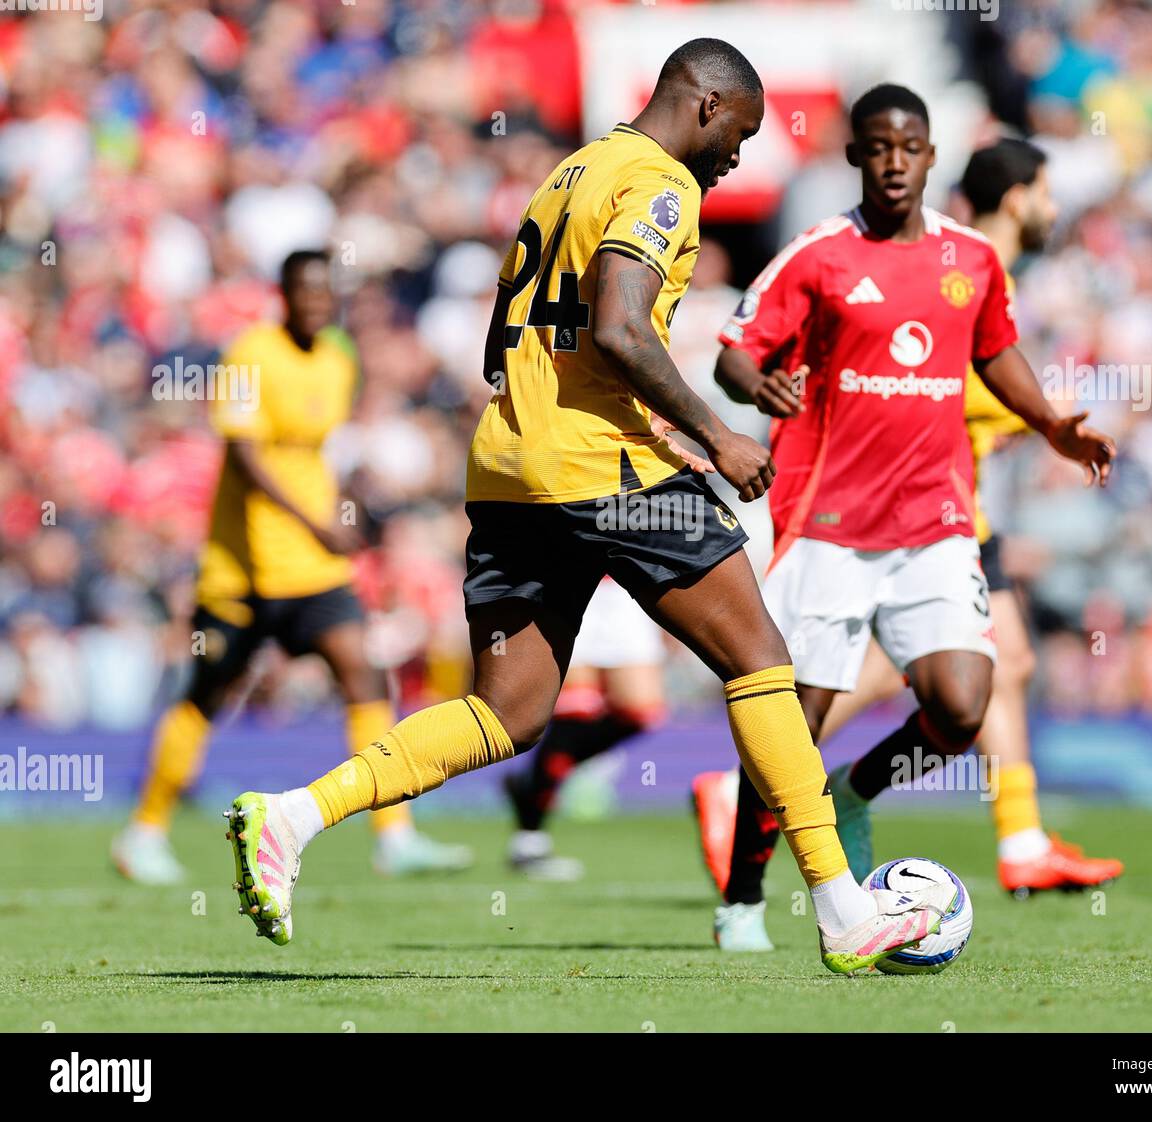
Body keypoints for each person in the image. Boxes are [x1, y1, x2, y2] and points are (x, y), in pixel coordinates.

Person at [222, 41, 951, 973]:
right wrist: (717, 434)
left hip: (510, 465)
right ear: (707, 101)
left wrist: (647, 432)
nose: (736, 158)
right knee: (762, 658)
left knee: (509, 712)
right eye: (739, 133)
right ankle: (844, 910)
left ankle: (292, 816)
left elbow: (503, 346)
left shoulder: (567, 173)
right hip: (591, 465)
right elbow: (616, 326)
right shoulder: (659, 184)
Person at [692, 87, 1116, 951]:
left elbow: (995, 350)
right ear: (856, 157)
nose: (893, 161)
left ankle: (854, 790)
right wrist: (754, 384)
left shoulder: (971, 260)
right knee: (791, 725)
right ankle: (741, 896)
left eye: (909, 147)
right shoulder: (818, 255)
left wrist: (1052, 427)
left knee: (962, 709)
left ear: (930, 158)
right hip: (829, 524)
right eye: (877, 147)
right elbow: (735, 350)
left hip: (934, 519)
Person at [111, 250, 470, 884]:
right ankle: (144, 831)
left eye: (324, 293)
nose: (315, 303)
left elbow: (317, 452)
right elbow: (244, 454)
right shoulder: (251, 353)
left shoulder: (337, 358)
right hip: (241, 568)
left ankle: (393, 835)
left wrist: (348, 506)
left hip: (313, 569)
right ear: (283, 294)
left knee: (363, 673)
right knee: (207, 694)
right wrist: (313, 519)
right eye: (304, 292)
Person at [502, 577, 666, 881]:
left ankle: (532, 786)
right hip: (575, 578)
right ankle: (529, 841)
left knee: (641, 711)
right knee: (574, 710)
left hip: (626, 583)